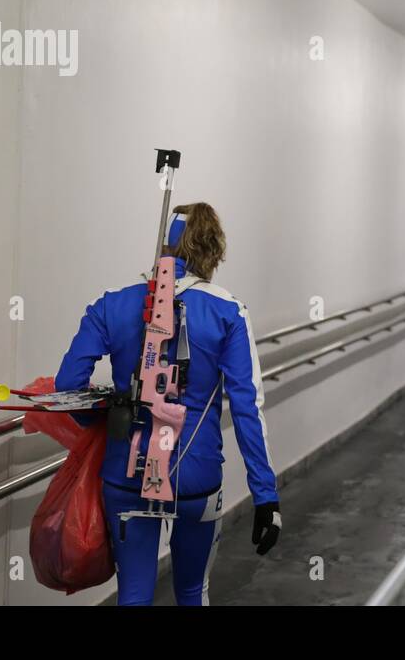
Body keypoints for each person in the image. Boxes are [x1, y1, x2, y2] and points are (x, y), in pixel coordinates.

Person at [54, 203, 281, 605]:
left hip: (126, 478)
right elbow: (248, 408)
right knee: (193, 592)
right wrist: (265, 496)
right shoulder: (229, 311)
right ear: (211, 250)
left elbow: (68, 387)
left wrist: (106, 417)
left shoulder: (111, 303)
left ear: (164, 245)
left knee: (135, 595)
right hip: (196, 480)